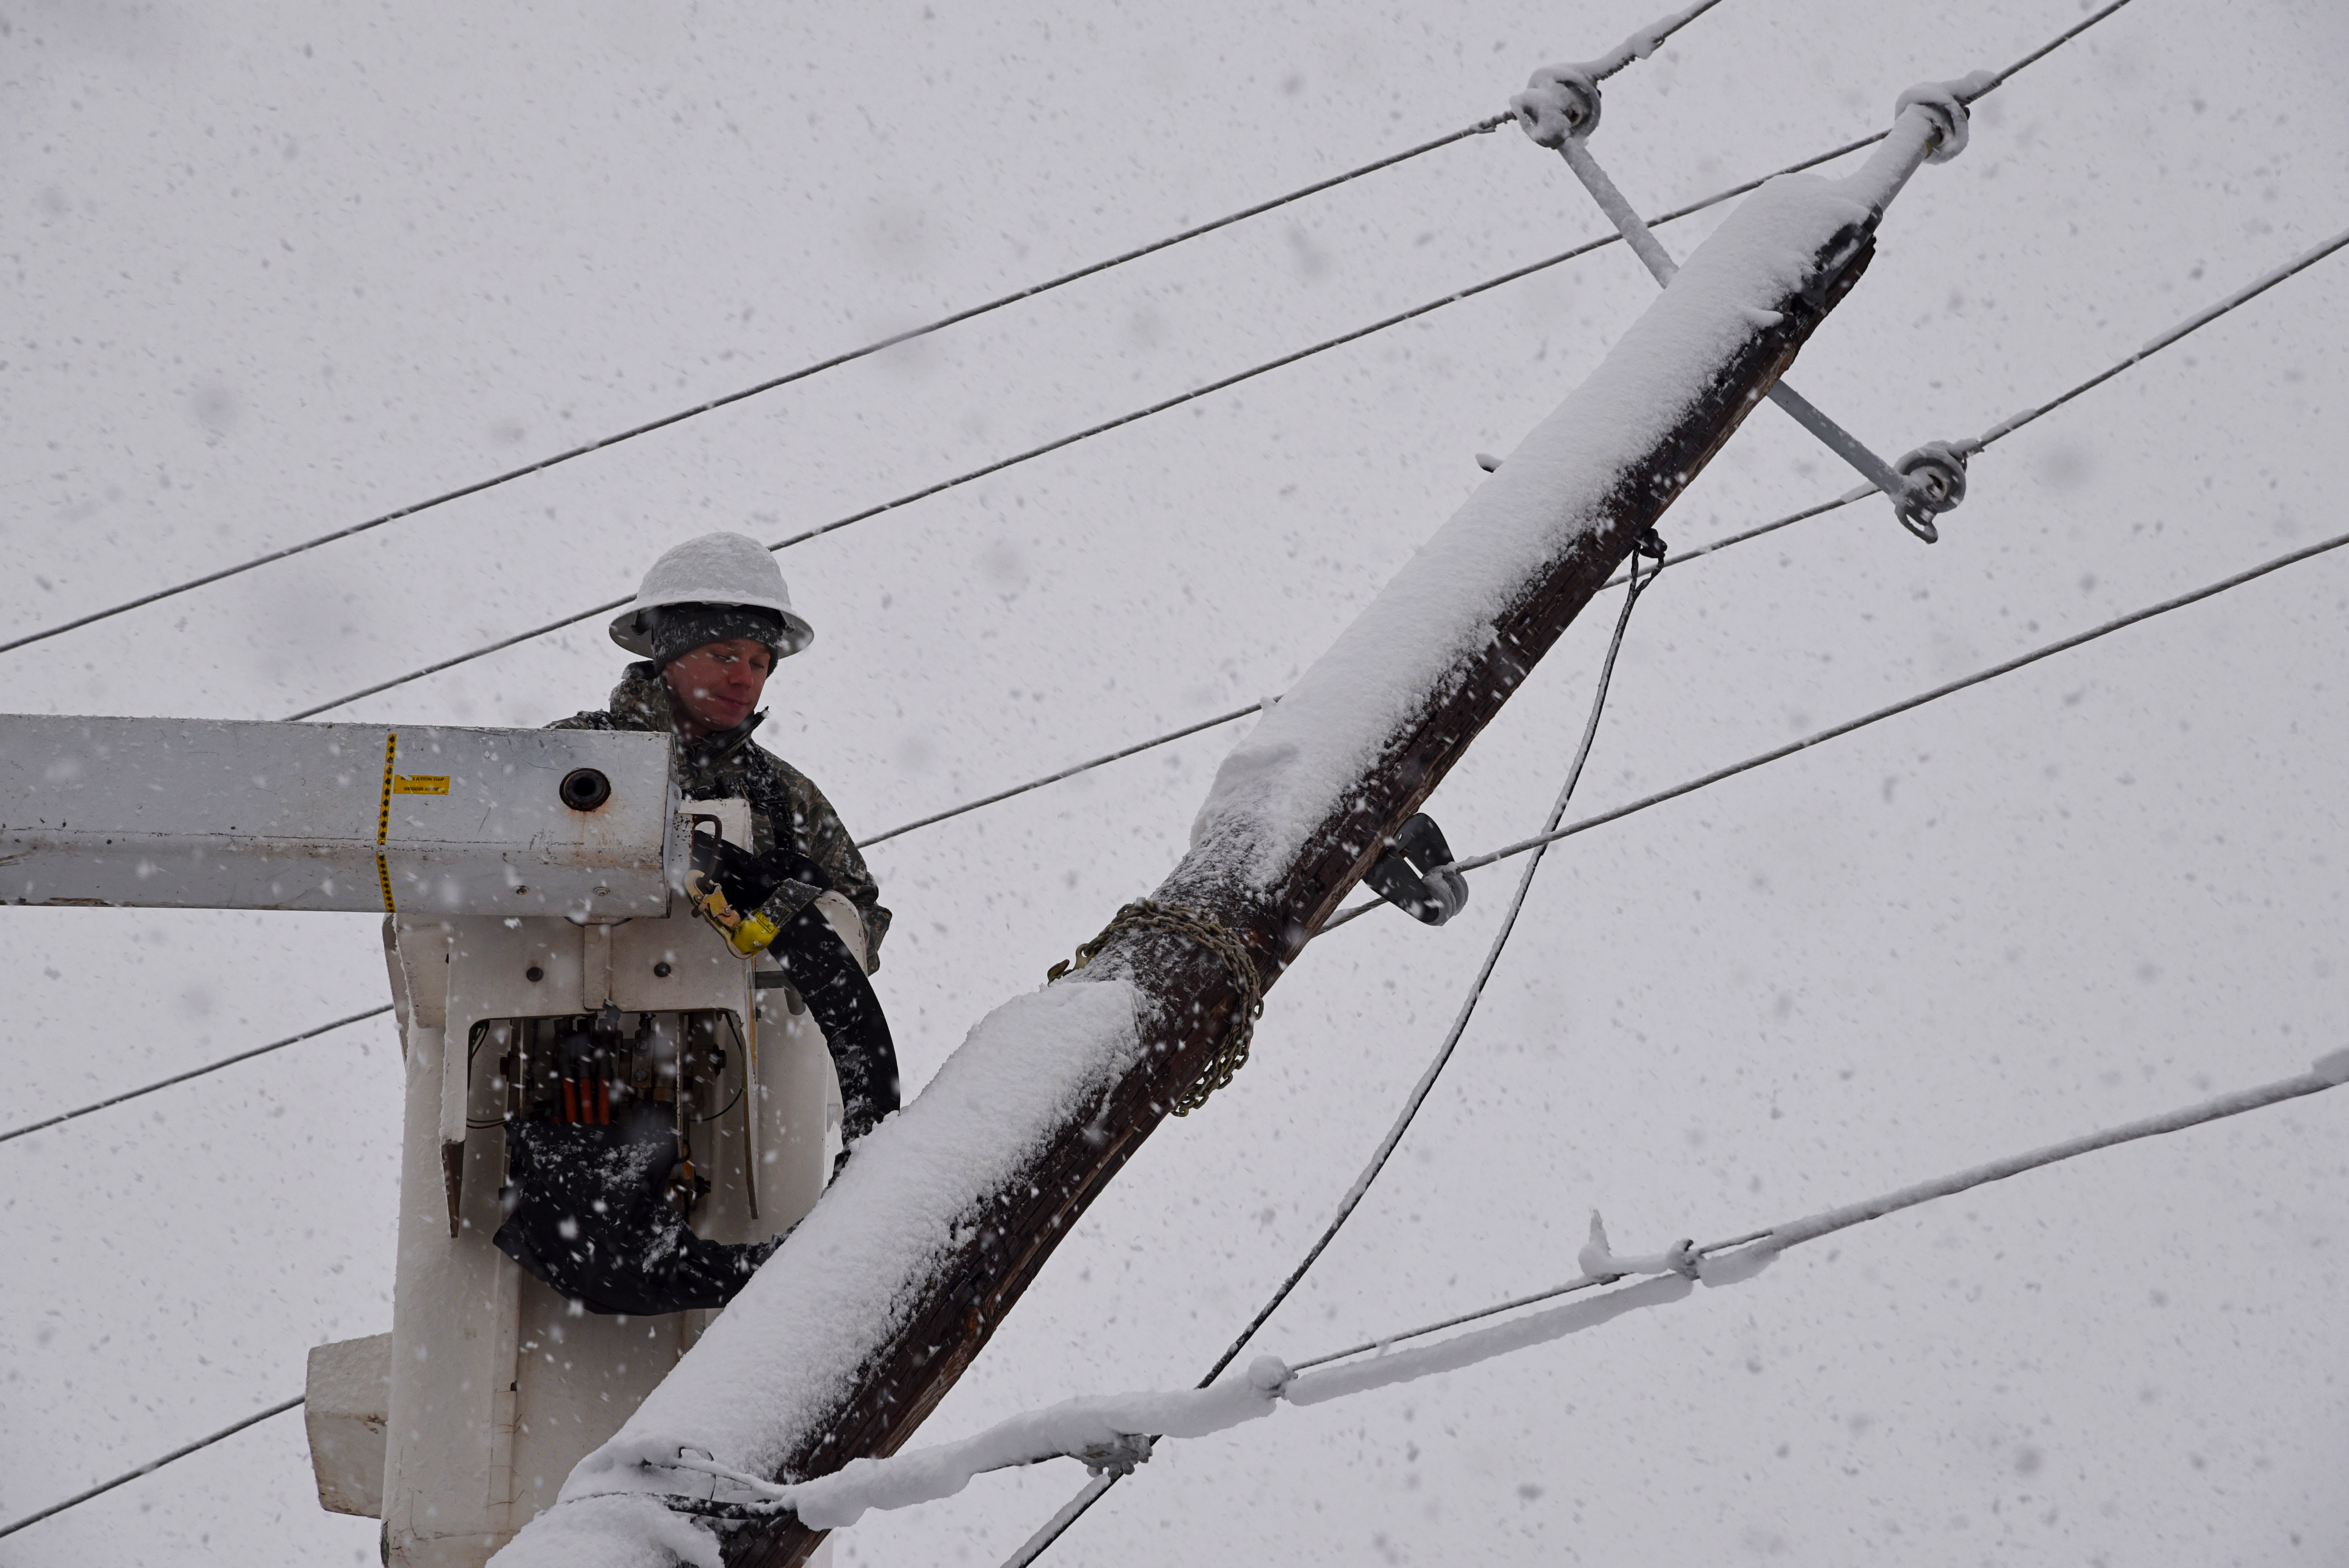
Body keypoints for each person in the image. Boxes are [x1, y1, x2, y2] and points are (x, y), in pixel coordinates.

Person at [493, 533, 898, 1314]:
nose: (745, 678)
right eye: (723, 654)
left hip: (729, 1080)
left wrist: (784, 921)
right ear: (670, 653)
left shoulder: (782, 796)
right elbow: (482, 868)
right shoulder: (572, 761)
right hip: (565, 1045)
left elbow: (857, 920)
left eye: (760, 661)